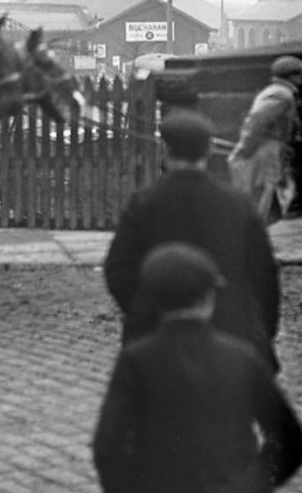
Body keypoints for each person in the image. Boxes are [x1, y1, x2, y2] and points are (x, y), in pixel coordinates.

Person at [93, 242, 302, 492]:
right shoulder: (241, 356)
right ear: (209, 297)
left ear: (153, 300)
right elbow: (288, 437)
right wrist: (257, 483)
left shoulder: (137, 360)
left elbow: (108, 445)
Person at [104, 110, 282, 371]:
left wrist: (145, 311)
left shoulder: (144, 203)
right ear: (207, 151)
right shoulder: (237, 204)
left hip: (158, 341)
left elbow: (119, 269)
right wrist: (261, 330)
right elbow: (264, 274)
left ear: (166, 150)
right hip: (230, 335)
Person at [228, 55, 302, 224]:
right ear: (293, 75)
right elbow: (258, 119)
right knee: (263, 195)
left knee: (269, 194)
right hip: (267, 149)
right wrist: (245, 148)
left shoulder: (277, 91)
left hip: (270, 148)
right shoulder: (281, 94)